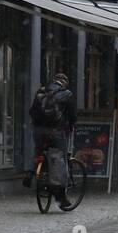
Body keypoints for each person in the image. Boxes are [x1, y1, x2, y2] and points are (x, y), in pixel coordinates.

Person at [29, 73, 77, 209]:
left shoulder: (41, 91)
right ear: (64, 83)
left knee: (38, 152)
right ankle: (60, 195)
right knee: (59, 158)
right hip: (56, 131)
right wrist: (72, 124)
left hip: (38, 130)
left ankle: (31, 171)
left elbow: (32, 111)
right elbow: (72, 115)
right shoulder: (66, 94)